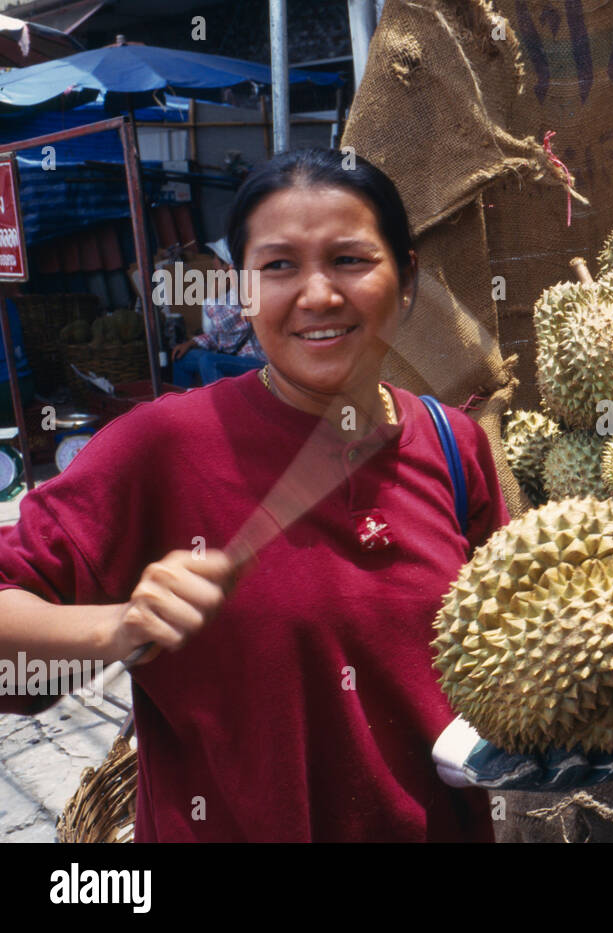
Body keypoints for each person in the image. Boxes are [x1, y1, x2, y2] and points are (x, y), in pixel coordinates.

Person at [0, 148, 511, 842]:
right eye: (278, 266)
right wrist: (115, 628)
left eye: (351, 260)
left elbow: (509, 652)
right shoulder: (165, 445)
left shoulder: (456, 448)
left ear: (409, 279)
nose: (318, 295)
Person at [170, 239, 266, 388]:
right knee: (182, 359)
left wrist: (214, 293)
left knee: (209, 361)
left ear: (227, 266)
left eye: (215, 257)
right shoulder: (227, 293)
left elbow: (219, 324)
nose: (213, 261)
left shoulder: (243, 293)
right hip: (232, 357)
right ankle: (181, 407)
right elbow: (216, 335)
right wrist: (191, 343)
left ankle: (223, 408)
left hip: (255, 362)